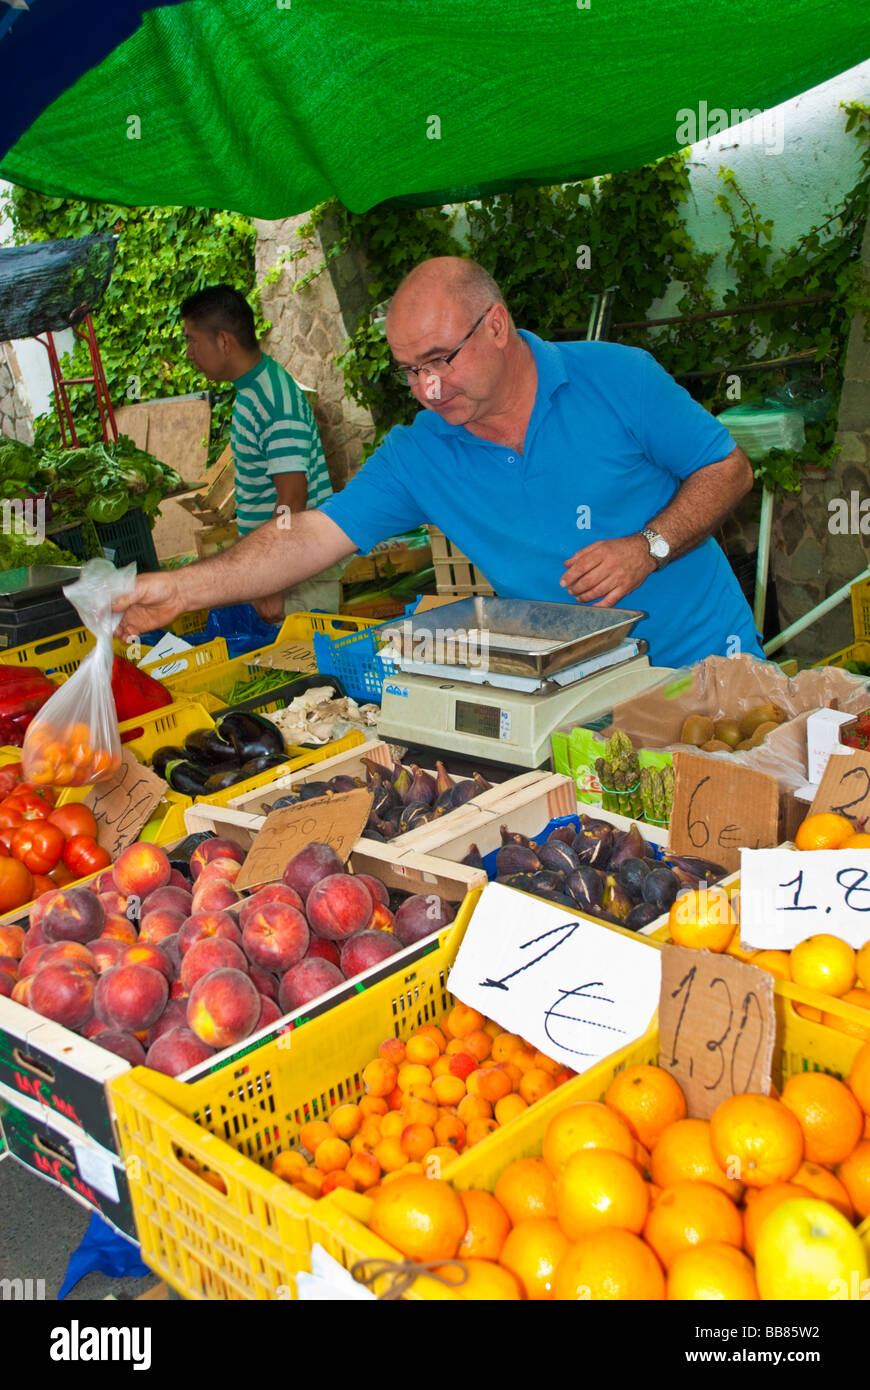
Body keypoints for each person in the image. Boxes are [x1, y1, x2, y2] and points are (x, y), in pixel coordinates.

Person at [117, 259, 763, 670]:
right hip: (579, 702)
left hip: (713, 668)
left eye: (439, 359)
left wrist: (647, 547)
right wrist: (182, 589)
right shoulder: (419, 452)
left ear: (497, 327)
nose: (427, 388)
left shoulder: (617, 377)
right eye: (410, 371)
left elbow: (727, 469)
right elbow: (310, 535)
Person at [179, 284, 341, 621]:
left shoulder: (273, 399)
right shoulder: (252, 391)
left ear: (223, 341)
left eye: (191, 340)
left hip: (298, 578)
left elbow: (292, 497)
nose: (188, 353)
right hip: (284, 571)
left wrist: (272, 580)